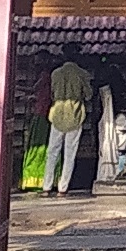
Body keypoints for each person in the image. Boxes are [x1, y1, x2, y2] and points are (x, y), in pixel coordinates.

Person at [42, 56, 96, 199]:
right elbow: (89, 95)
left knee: (52, 152)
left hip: (57, 115)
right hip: (75, 115)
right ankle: (63, 188)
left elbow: (53, 95)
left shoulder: (56, 73)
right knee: (69, 154)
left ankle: (46, 187)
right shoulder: (82, 73)